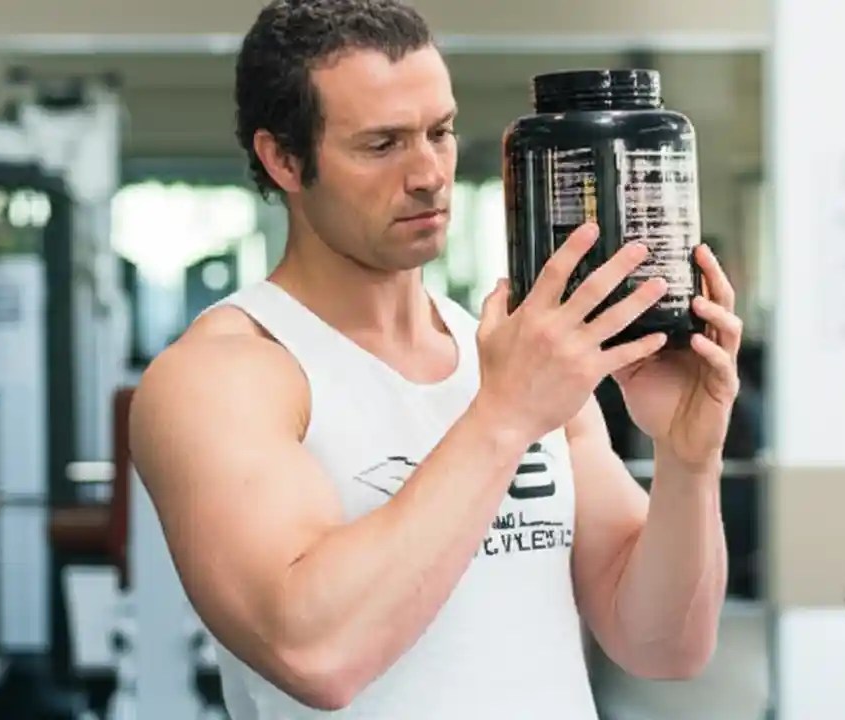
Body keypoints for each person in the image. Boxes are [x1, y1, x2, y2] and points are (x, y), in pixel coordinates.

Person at [128, 0, 742, 717]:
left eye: (439, 133)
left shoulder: (517, 360)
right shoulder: (224, 377)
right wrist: (504, 418)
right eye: (382, 144)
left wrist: (687, 459)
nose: (428, 174)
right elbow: (315, 656)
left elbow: (665, 647)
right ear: (284, 159)